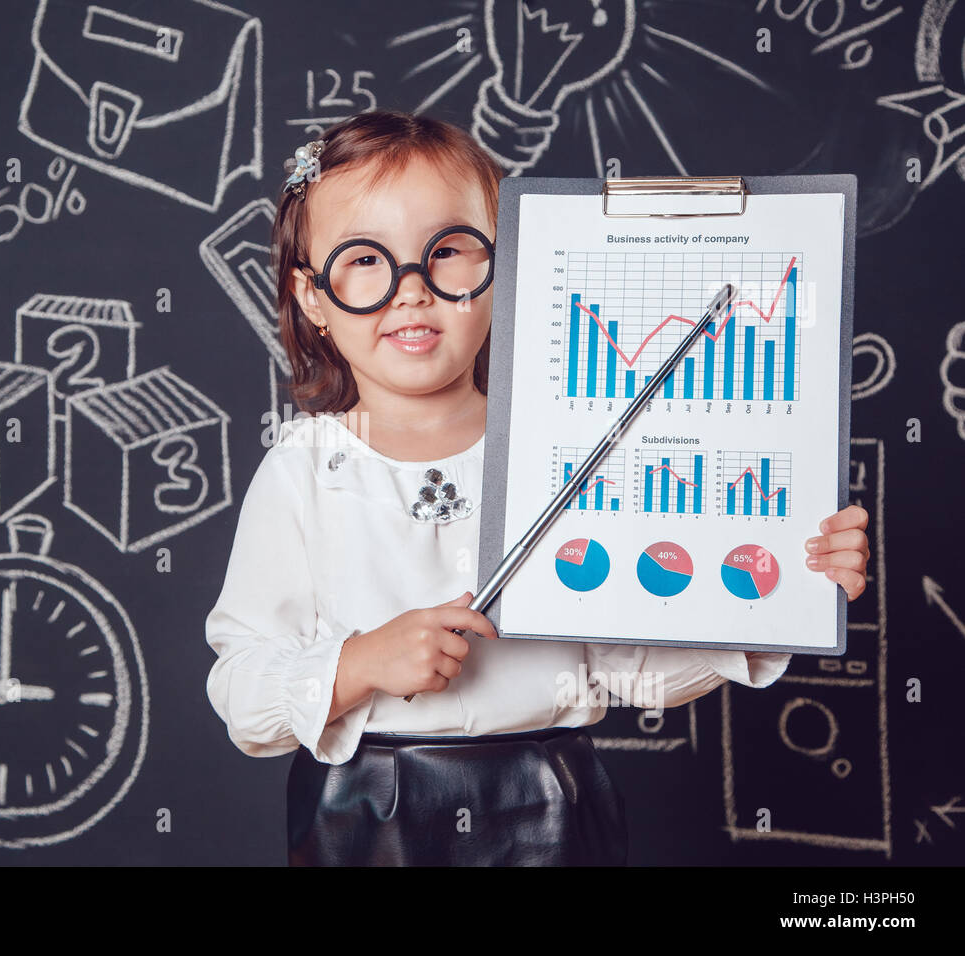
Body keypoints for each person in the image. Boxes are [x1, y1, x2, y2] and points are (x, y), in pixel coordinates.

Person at [203, 110, 870, 866]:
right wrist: (359, 664)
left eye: (447, 250)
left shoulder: (567, 451)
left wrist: (784, 594)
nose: (412, 290)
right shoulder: (302, 470)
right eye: (364, 259)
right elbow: (244, 698)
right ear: (312, 296)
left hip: (550, 802)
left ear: (507, 265)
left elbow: (635, 673)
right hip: (364, 809)